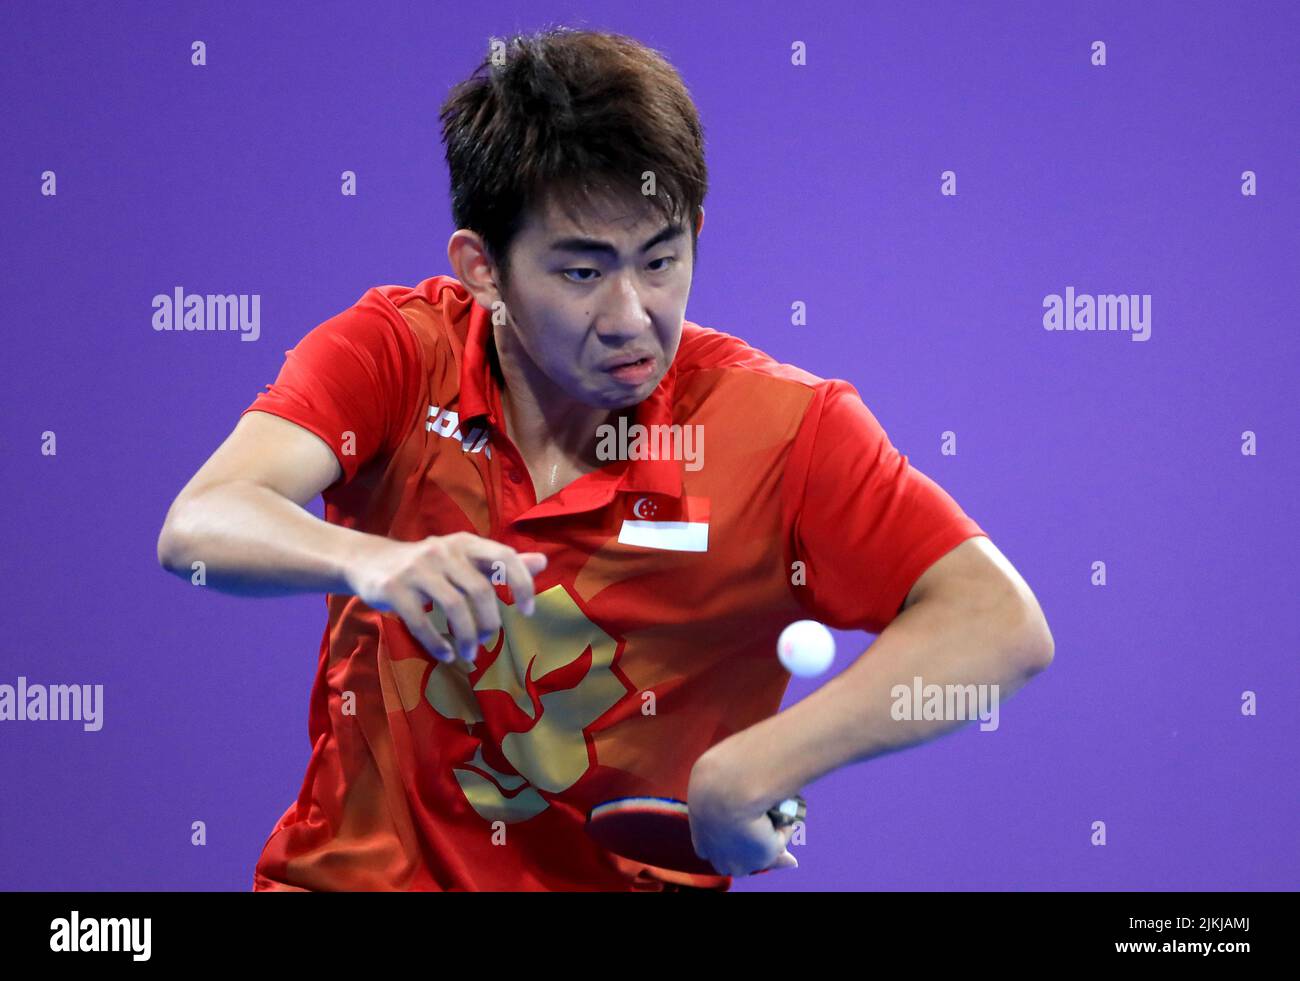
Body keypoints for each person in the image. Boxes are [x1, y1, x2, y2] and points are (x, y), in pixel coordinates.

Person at [157, 27, 1053, 892]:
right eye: (582, 272)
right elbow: (200, 523)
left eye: (660, 259)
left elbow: (999, 622)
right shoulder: (398, 353)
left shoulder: (786, 430)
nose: (632, 316)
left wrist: (756, 767)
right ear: (482, 267)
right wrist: (376, 559)